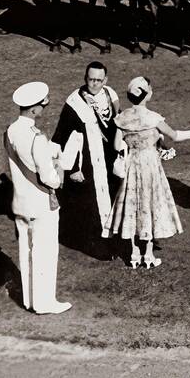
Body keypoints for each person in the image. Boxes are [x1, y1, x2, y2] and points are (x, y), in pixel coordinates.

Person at [108, 75, 190, 269]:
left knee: (132, 204)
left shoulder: (122, 118)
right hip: (150, 165)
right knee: (150, 203)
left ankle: (134, 254)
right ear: (146, 95)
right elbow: (175, 136)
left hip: (132, 165)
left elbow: (117, 144)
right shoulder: (153, 118)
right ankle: (149, 254)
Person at [5, 81, 71, 315]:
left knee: (26, 251)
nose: (44, 108)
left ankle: (29, 300)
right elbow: (50, 178)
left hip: (20, 201)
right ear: (33, 109)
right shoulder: (37, 137)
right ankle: (44, 303)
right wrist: (59, 167)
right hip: (41, 202)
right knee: (45, 253)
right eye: (42, 105)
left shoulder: (11, 130)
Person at [51, 61, 119, 252]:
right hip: (87, 162)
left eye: (99, 80)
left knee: (113, 199)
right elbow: (61, 137)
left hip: (109, 159)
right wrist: (72, 169)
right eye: (91, 80)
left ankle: (113, 240)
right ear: (85, 78)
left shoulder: (110, 94)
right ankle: (97, 247)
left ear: (105, 80)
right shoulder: (73, 103)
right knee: (91, 206)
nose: (95, 84)